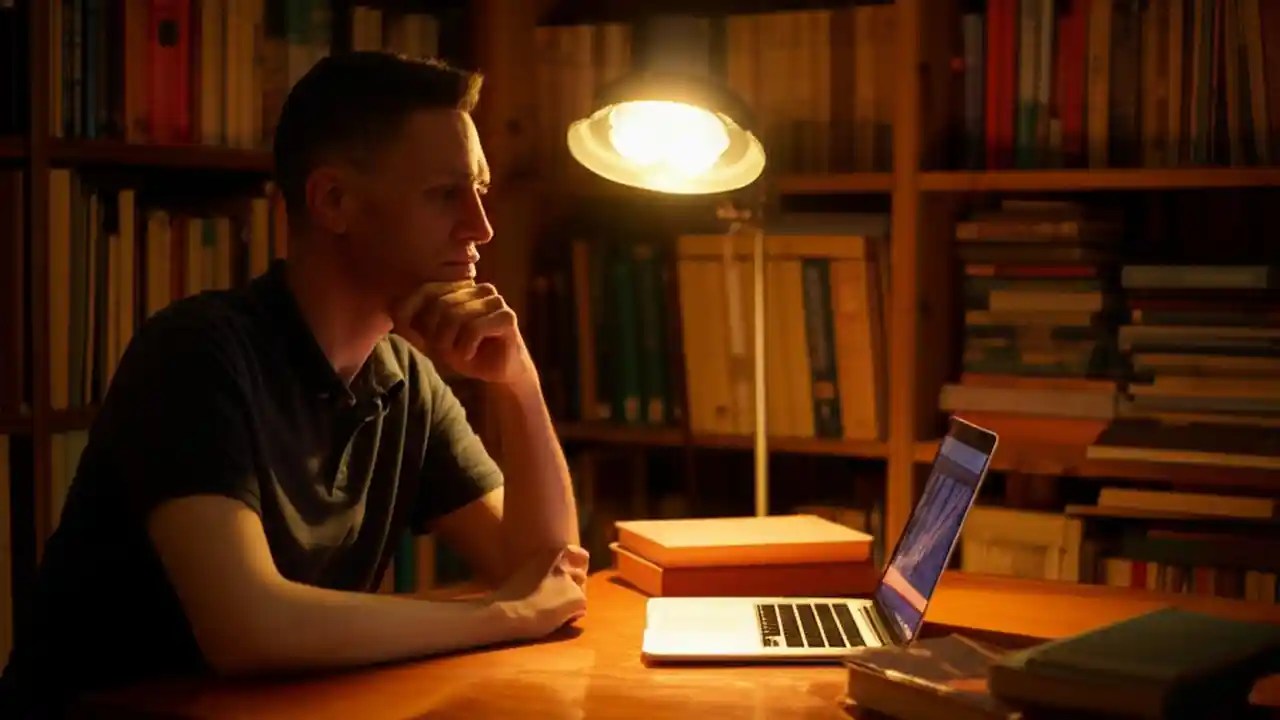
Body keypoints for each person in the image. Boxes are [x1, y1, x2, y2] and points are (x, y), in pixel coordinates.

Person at [0, 52, 588, 717]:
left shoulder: (405, 382)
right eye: (445, 193)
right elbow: (248, 629)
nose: (481, 227)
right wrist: (499, 616)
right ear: (333, 200)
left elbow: (549, 573)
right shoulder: (197, 354)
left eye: (480, 190)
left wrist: (518, 381)